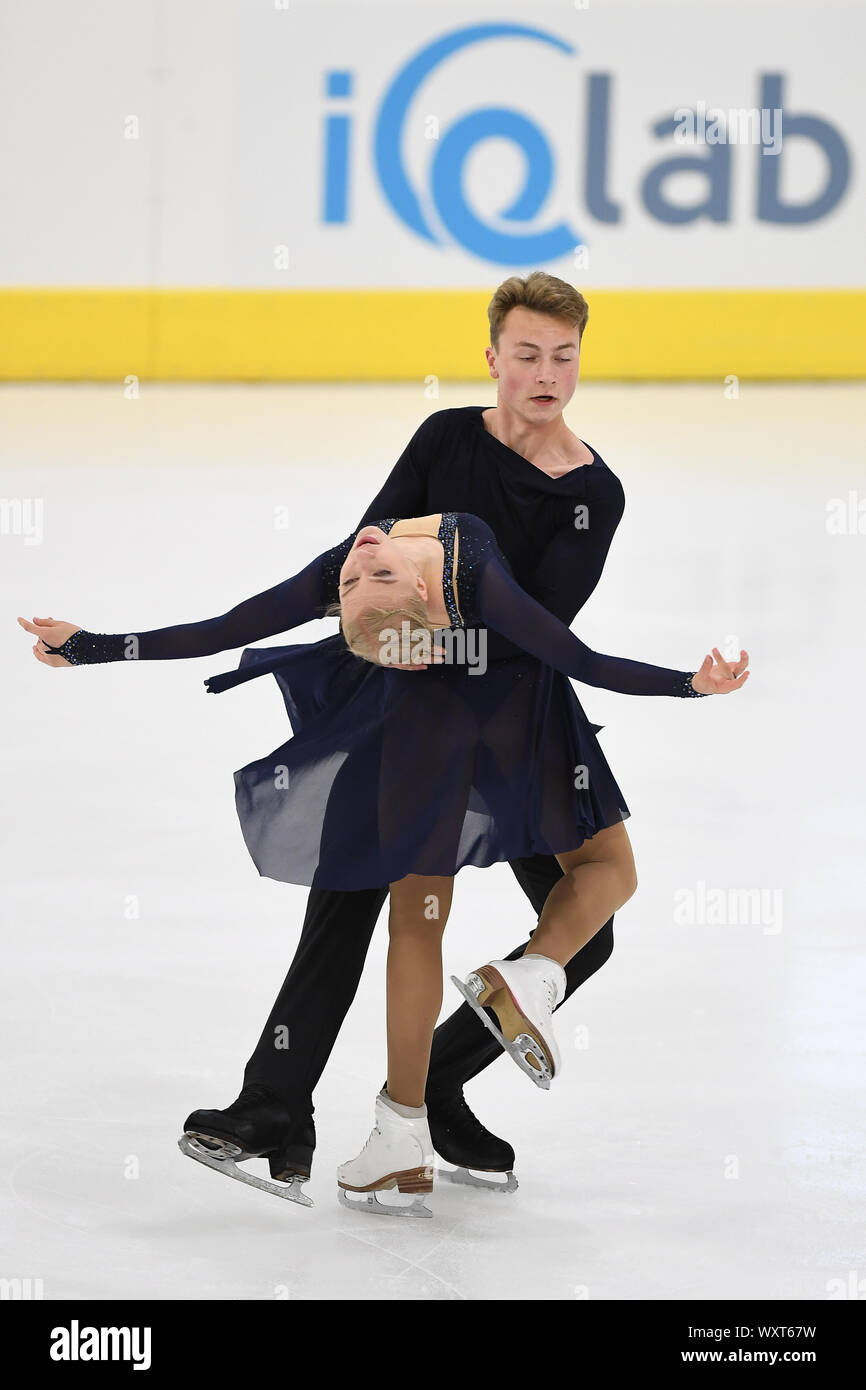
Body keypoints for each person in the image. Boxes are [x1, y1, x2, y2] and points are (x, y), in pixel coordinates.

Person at [17, 273, 745, 1207]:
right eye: (525, 354)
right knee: (348, 893)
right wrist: (98, 648)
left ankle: (431, 1090)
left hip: (519, 717)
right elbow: (349, 554)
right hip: (410, 708)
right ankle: (279, 1104)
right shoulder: (446, 441)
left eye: (562, 356)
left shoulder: (592, 495)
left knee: (584, 933)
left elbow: (546, 636)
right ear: (492, 359)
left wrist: (427, 638)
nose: (545, 373)